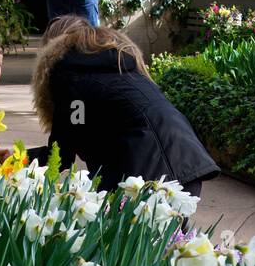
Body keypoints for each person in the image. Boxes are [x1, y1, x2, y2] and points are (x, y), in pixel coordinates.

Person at [28, 16, 220, 197]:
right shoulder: (122, 67)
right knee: (167, 232)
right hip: (185, 159)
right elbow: (78, 124)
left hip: (141, 171)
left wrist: (19, 158)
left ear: (52, 48)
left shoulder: (71, 78)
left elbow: (62, 152)